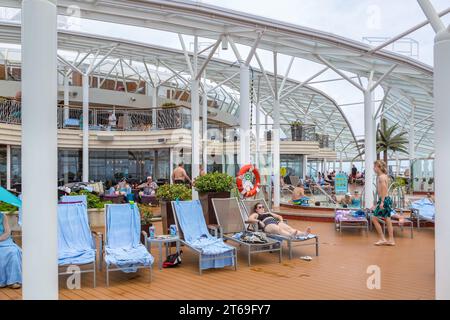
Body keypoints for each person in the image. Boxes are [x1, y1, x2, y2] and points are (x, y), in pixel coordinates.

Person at [370, 160, 395, 246]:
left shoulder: (381, 177)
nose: (373, 168)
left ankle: (382, 238)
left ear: (379, 167)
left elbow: (384, 188)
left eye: (374, 167)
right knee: (388, 219)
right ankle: (391, 240)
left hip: (384, 200)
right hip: (386, 199)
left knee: (374, 218)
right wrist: (378, 203)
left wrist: (382, 202)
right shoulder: (385, 176)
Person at [0, 213, 22, 289]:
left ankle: (13, 281)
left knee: (13, 251)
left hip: (3, 240)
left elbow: (7, 232)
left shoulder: (2, 216)